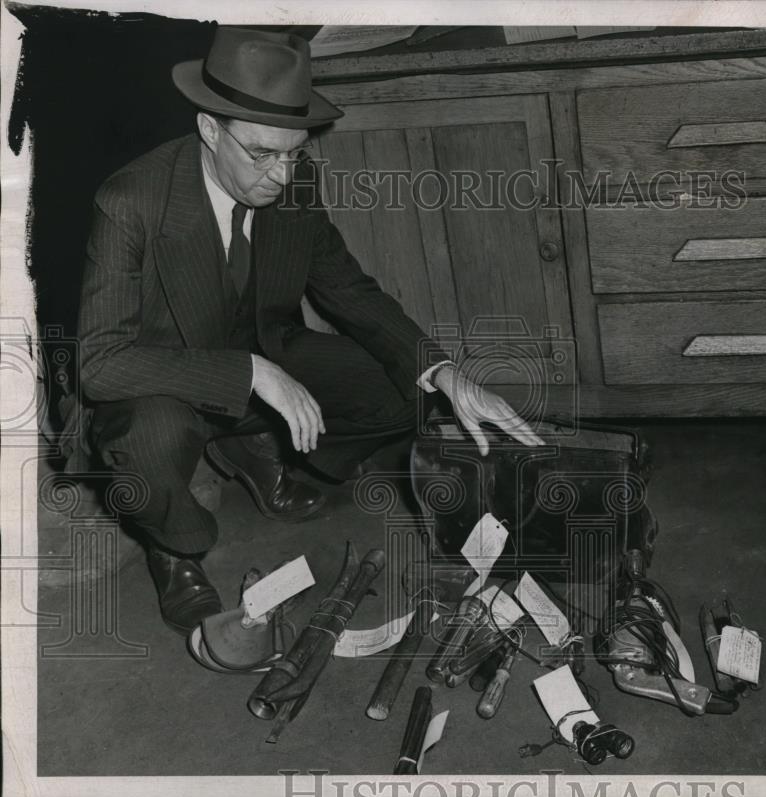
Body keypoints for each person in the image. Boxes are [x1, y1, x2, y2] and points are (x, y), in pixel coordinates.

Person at [76, 27, 542, 635]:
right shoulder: (129, 201)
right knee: (150, 439)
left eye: (293, 152)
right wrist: (250, 373)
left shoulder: (293, 182)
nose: (281, 174)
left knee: (405, 388)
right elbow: (100, 363)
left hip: (265, 353)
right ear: (210, 130)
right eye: (261, 154)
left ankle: (250, 444)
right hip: (165, 382)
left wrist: (446, 373)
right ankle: (173, 546)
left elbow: (348, 290)